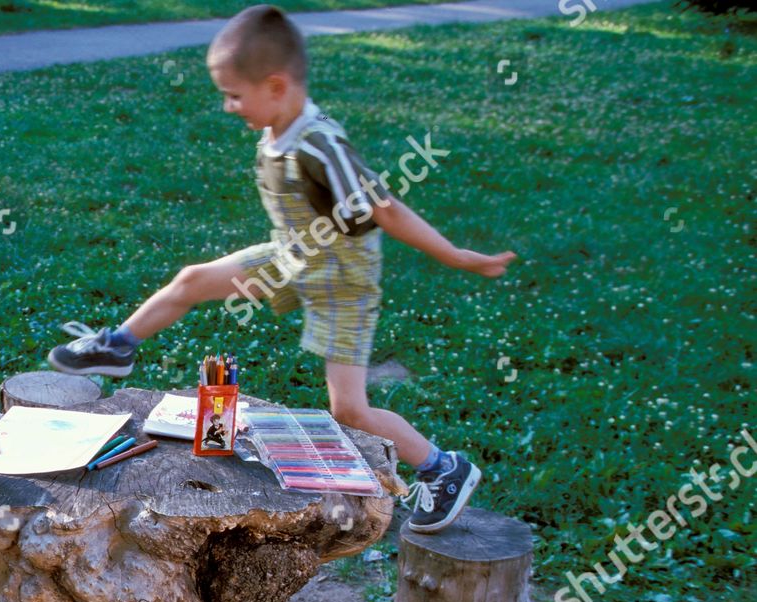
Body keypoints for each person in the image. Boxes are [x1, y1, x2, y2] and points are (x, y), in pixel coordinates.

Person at [48, 5, 515, 532]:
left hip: (343, 284)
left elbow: (384, 208)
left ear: (275, 85)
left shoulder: (321, 142)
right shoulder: (280, 126)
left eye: (234, 94)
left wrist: (455, 255)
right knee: (191, 280)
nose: (228, 107)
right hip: (292, 258)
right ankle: (118, 345)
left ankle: (443, 469)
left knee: (350, 412)